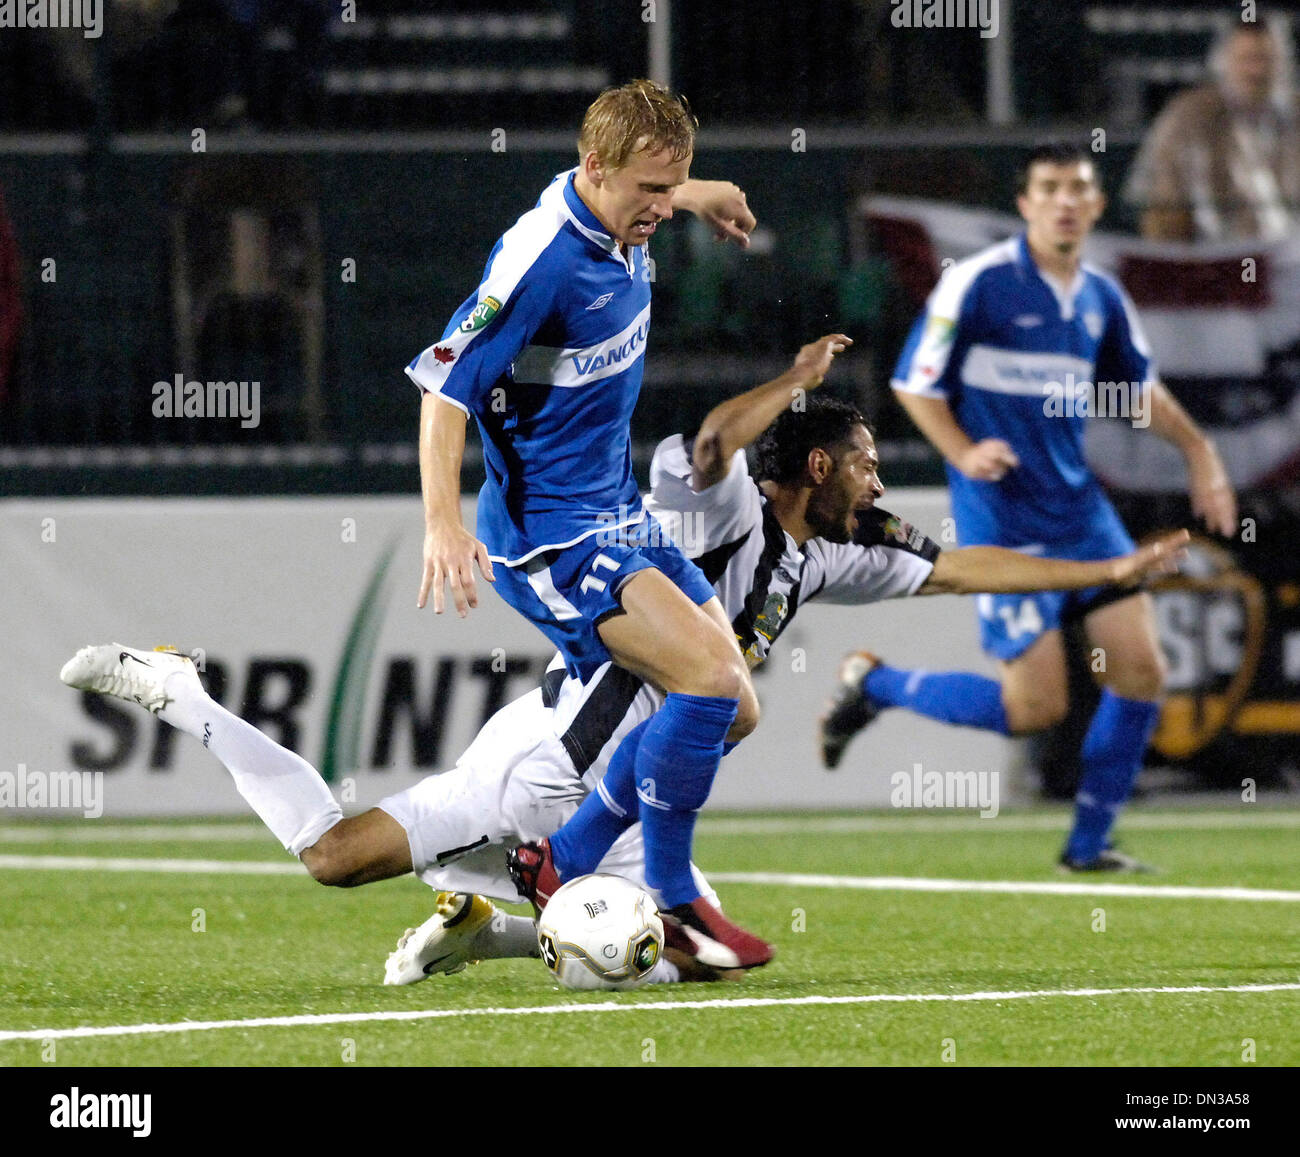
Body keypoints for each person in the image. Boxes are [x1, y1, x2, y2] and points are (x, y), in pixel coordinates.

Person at [59, 334, 1187, 983]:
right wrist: (790, 388)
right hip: (557, 756)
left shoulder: (818, 559)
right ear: (805, 465)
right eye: (862, 463)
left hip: (591, 752)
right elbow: (705, 442)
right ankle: (190, 695)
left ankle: (493, 912)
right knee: (341, 857)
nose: (878, 484)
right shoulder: (718, 509)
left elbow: (966, 568)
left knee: (670, 933)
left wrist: (1115, 573)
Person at [406, 77, 775, 967]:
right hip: (551, 532)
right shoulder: (538, 262)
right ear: (594, 168)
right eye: (649, 189)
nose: (660, 207)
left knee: (736, 709)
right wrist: (442, 523)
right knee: (709, 677)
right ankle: (675, 892)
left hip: (616, 509)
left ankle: (561, 858)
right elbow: (442, 390)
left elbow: (647, 187)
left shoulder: (621, 209)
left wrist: (699, 191)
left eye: (670, 186)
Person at [819, 142, 1237, 872]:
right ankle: (875, 683)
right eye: (1050, 188)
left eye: (1079, 188)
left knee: (1141, 672)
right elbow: (915, 384)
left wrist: (1199, 451)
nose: (1065, 201)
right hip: (1003, 517)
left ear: (1098, 205)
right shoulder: (978, 285)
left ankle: (1087, 846)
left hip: (1079, 513)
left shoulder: (1102, 297)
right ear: (1025, 204)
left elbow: (1138, 393)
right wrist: (963, 452)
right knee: (1033, 709)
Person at [1125, 18, 1300, 242]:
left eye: (1266, 59)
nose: (1256, 71)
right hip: (1213, 258)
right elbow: (1158, 209)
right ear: (1223, 62)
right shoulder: (1187, 114)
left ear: (1284, 63)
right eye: (1247, 59)